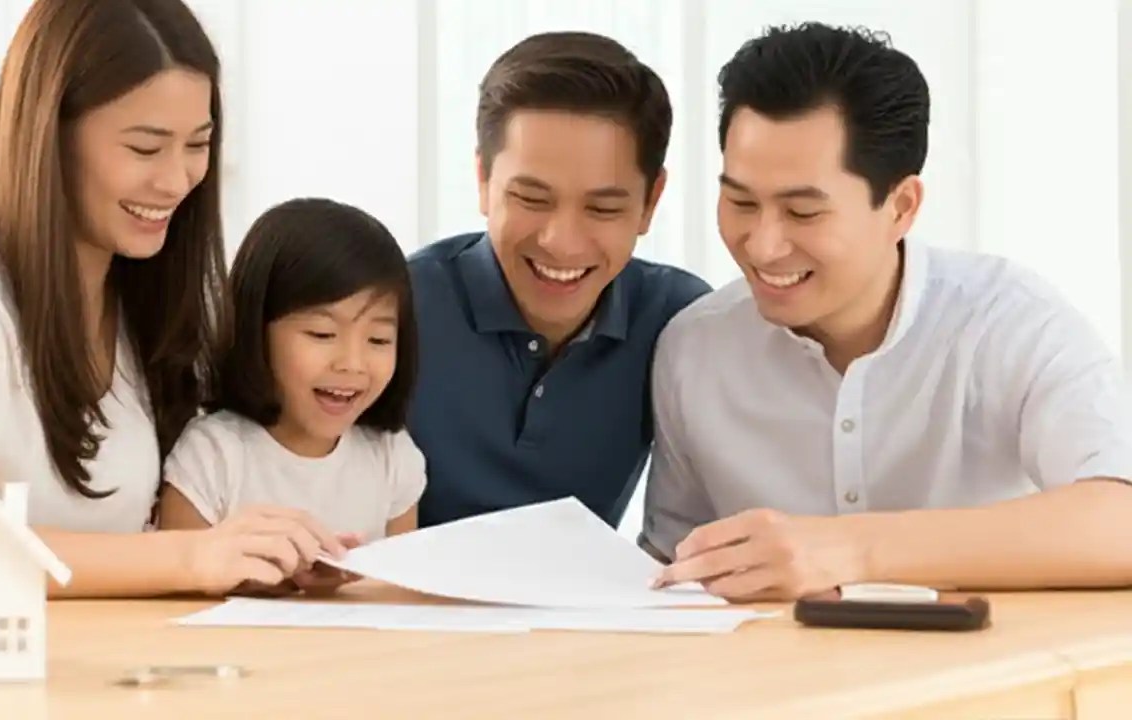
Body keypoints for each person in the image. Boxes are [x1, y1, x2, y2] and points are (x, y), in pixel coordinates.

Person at [0, 0, 346, 601]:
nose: (176, 180)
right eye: (145, 148)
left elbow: (140, 549)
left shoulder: (149, 308)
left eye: (198, 144)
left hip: (108, 671)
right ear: (48, 135)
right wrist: (192, 556)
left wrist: (262, 555)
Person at [646, 22, 1132, 600]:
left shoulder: (1008, 321)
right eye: (740, 202)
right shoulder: (695, 348)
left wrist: (851, 551)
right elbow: (670, 574)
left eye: (803, 213)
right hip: (779, 684)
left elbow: (1119, 518)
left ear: (900, 207)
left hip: (993, 677)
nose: (762, 244)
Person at [407, 31, 711, 529]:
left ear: (650, 202)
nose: (561, 242)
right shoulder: (398, 308)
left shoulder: (680, 320)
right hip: (404, 603)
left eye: (603, 208)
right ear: (483, 181)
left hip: (590, 604)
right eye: (531, 199)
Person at [158, 198, 426, 594]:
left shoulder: (391, 457)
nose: (352, 363)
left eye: (378, 339)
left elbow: (398, 594)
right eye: (321, 334)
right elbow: (173, 592)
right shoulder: (213, 455)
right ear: (255, 329)